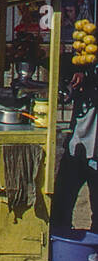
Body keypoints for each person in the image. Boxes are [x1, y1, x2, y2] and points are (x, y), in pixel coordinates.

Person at [50, 65, 98, 238]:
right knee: (61, 207)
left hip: (91, 150)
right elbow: (68, 94)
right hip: (77, 148)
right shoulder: (83, 64)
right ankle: (62, 250)